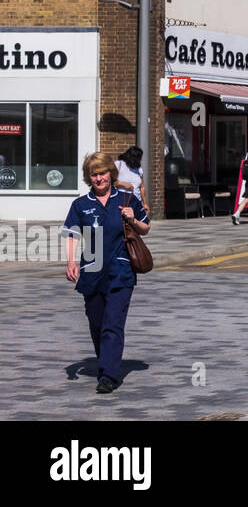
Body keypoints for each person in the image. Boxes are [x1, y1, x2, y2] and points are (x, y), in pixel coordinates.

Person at [63, 151, 151, 394]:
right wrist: (71, 261)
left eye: (103, 173)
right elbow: (71, 233)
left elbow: (145, 228)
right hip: (91, 271)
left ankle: (108, 376)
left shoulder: (125, 198)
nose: (99, 178)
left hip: (120, 270)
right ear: (88, 178)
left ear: (111, 174)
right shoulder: (81, 205)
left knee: (113, 323)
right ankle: (107, 360)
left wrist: (133, 219)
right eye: (94, 174)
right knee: (97, 323)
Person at [113, 146, 146, 211]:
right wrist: (122, 183)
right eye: (139, 158)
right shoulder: (118, 164)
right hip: (121, 203)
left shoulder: (139, 169)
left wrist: (145, 203)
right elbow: (109, 181)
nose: (141, 160)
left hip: (137, 204)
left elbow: (142, 187)